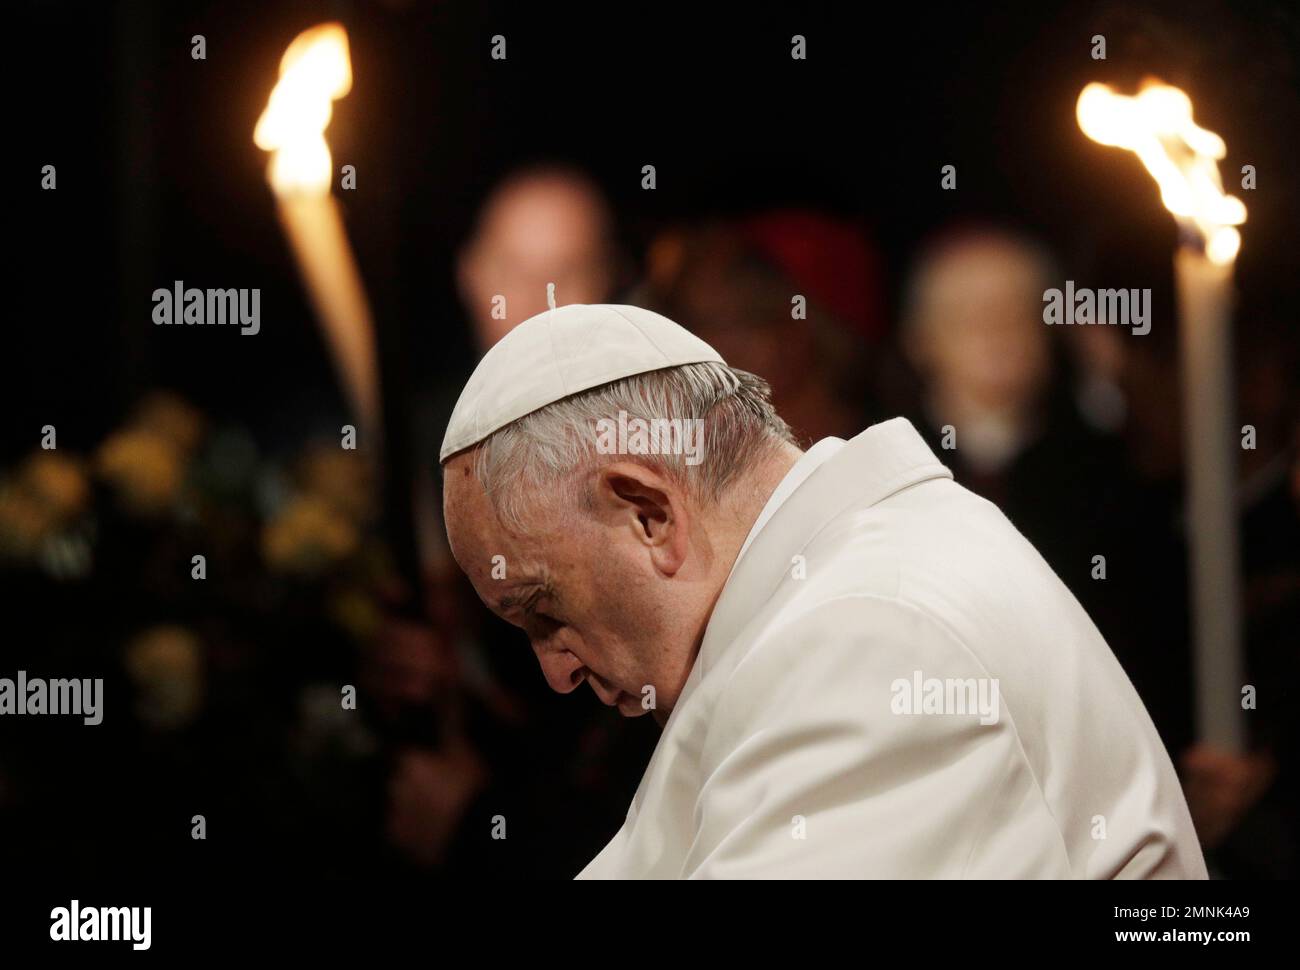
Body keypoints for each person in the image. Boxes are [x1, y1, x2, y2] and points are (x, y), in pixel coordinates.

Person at [438, 302, 1207, 879]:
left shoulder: (867, 636)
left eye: (542, 609)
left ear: (649, 513)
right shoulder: (833, 596)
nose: (557, 671)